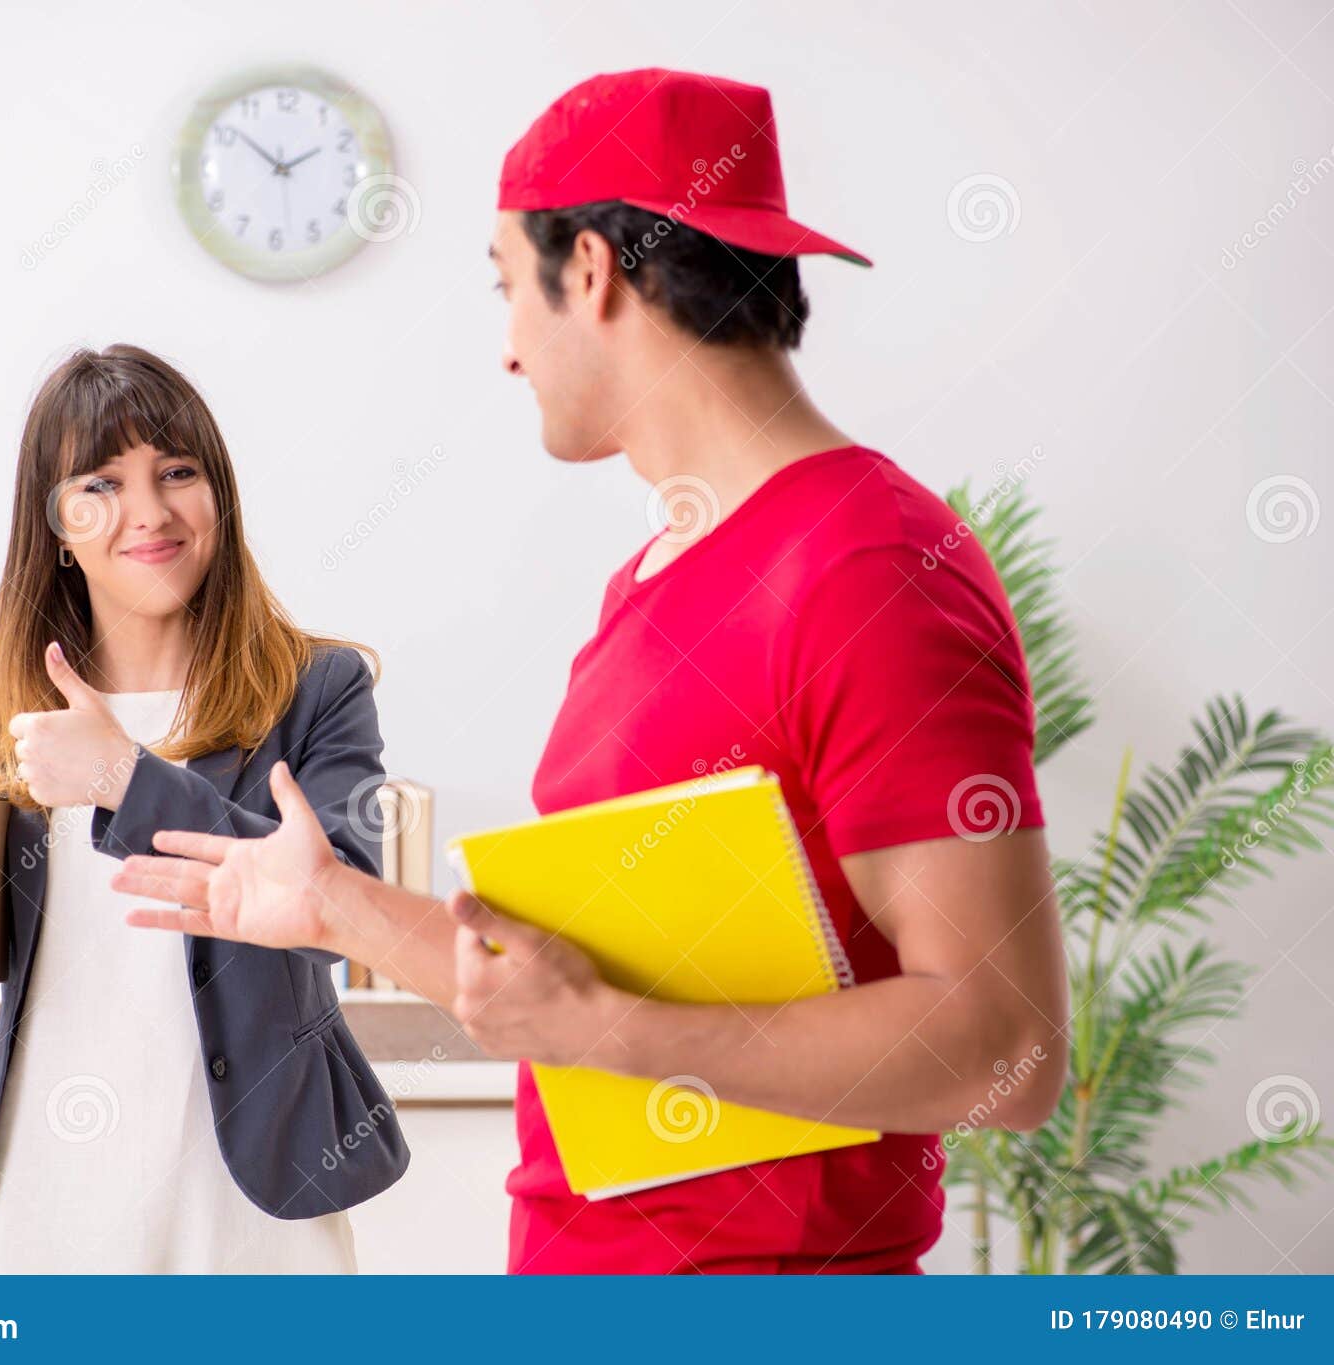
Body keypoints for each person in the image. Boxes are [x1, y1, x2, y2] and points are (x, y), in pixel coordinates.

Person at [112, 70, 1069, 1274]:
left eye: (509, 286)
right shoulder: (656, 578)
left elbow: (1005, 1051)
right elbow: (563, 995)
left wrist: (612, 1032)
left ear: (595, 273)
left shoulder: (869, 568)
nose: (508, 348)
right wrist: (330, 906)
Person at [0, 344, 406, 1272]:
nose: (149, 512)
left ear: (220, 493)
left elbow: (348, 913)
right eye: (101, 485)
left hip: (254, 1218)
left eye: (178, 472)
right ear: (57, 524)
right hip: (39, 1209)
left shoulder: (316, 687)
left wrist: (125, 774)